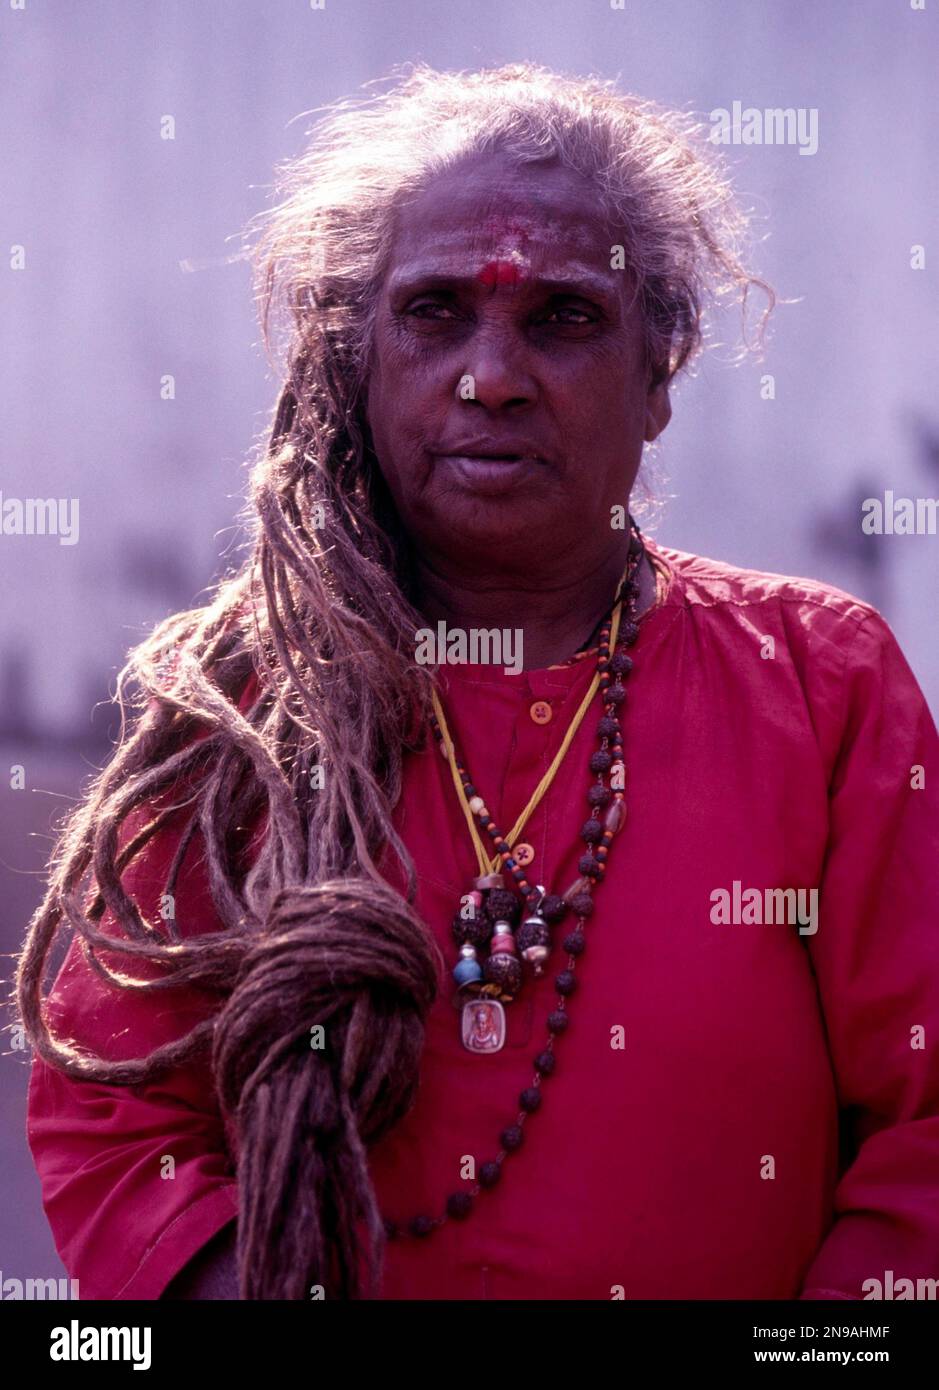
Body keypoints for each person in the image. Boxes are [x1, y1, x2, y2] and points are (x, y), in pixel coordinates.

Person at [17, 62, 939, 1302]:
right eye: (436, 311)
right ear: (359, 360)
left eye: (563, 317)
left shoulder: (823, 686)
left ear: (662, 373)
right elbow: (114, 1123)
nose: (491, 375)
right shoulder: (239, 709)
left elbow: (923, 1135)